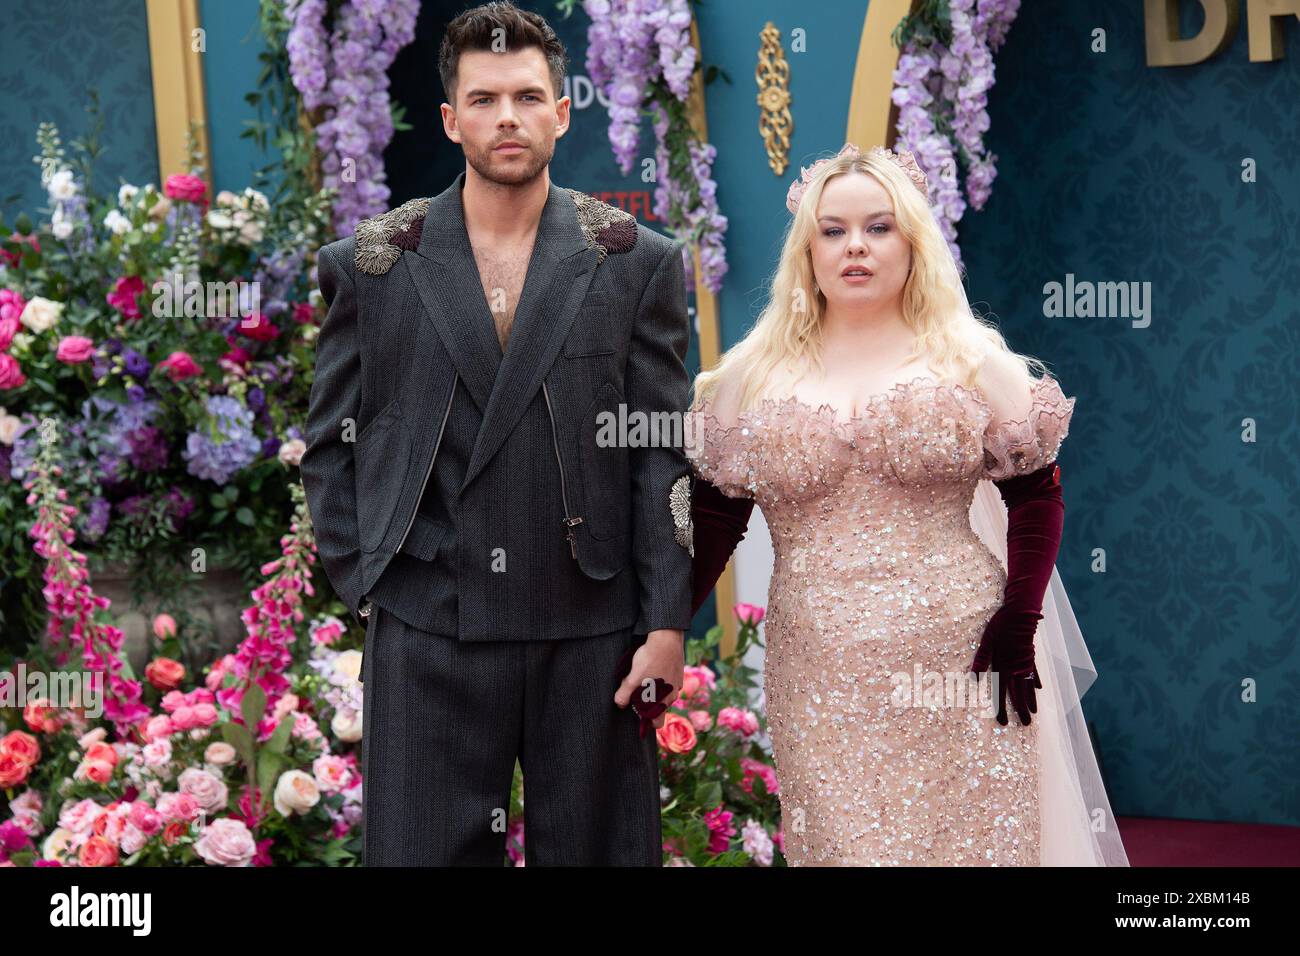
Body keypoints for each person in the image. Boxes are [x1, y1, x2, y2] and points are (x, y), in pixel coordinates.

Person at [299, 1, 693, 866]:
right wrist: (367, 578)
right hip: (429, 619)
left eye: (525, 96)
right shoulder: (375, 261)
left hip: (590, 625)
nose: (505, 117)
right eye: (482, 99)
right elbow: (330, 443)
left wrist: (666, 618)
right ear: (450, 119)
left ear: (561, 109)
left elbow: (665, 449)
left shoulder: (636, 260)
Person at [685, 143, 1129, 866]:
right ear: (808, 249)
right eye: (833, 230)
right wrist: (664, 630)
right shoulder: (749, 377)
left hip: (963, 654)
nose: (855, 246)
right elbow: (716, 521)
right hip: (821, 672)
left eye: (879, 227)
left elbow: (1035, 496)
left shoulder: (970, 360)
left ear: (913, 239)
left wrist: (1019, 620)